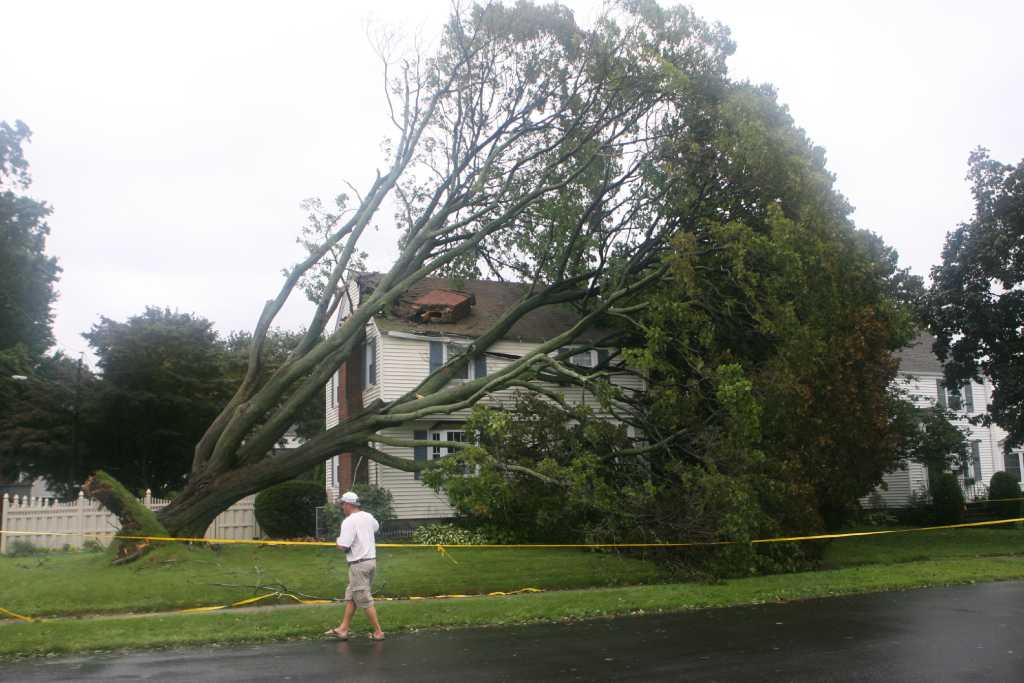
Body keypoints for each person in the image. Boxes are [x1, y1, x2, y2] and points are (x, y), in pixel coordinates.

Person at [325, 490, 384, 641]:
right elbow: (375, 528)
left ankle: (378, 632)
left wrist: (337, 541)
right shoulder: (368, 516)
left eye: (343, 504)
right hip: (371, 562)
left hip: (358, 565)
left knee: (363, 598)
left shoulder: (349, 521)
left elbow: (344, 546)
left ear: (349, 504)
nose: (342, 507)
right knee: (352, 596)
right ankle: (343, 629)